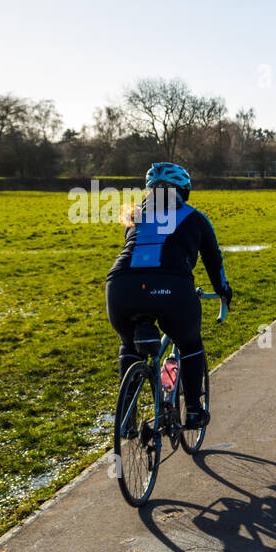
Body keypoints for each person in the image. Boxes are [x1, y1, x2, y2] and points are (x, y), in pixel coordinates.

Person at [105, 162, 232, 430]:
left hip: (121, 287)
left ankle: (127, 417)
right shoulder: (195, 218)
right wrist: (223, 291)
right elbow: (213, 260)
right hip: (171, 288)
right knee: (189, 343)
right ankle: (195, 411)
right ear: (184, 190)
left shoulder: (135, 216)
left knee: (129, 345)